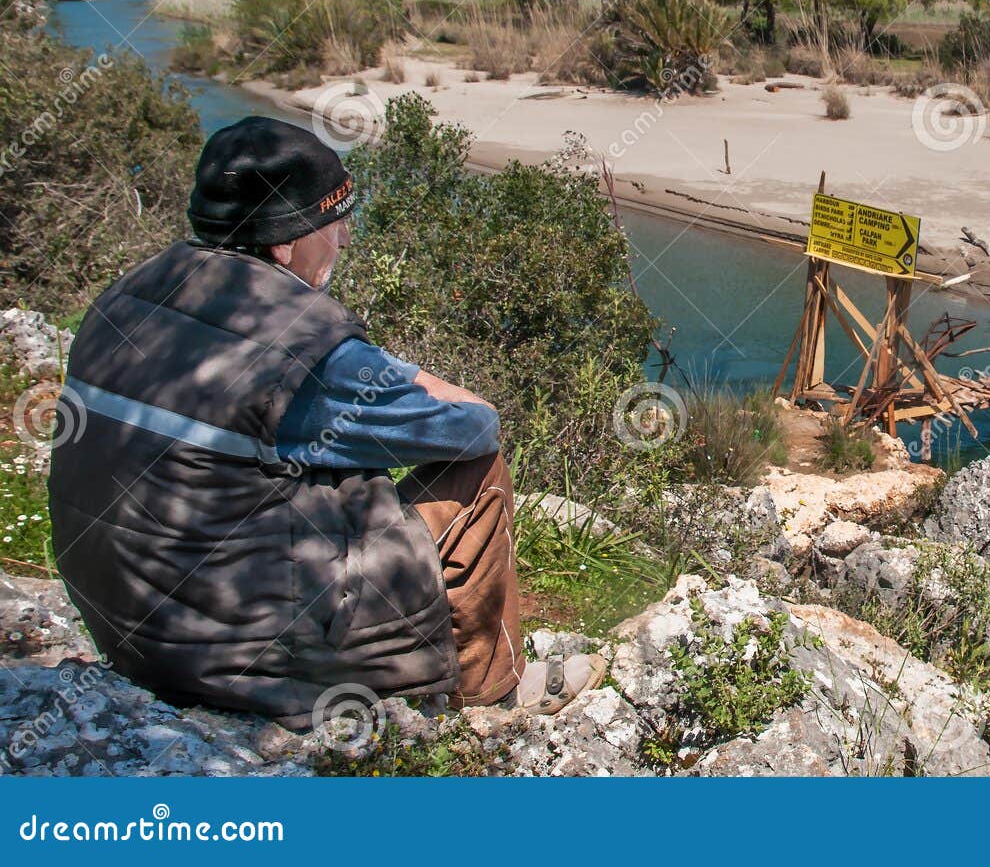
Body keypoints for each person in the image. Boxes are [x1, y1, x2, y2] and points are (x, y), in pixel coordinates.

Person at [47, 116, 604, 727]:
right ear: (285, 243)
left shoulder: (127, 295)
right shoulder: (302, 347)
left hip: (129, 634)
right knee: (479, 471)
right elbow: (473, 425)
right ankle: (491, 691)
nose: (342, 239)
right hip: (241, 655)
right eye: (333, 223)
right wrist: (400, 375)